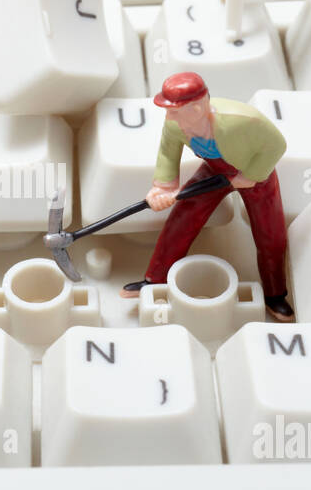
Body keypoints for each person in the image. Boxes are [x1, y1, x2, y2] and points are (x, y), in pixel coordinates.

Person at [123, 71, 295, 322]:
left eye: (174, 110)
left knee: (271, 234)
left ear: (195, 109)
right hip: (215, 171)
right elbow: (168, 154)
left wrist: (251, 176)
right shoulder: (174, 124)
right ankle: (154, 279)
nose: (168, 116)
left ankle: (275, 293)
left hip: (255, 175)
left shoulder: (243, 121)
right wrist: (163, 188)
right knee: (183, 215)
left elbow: (277, 145)